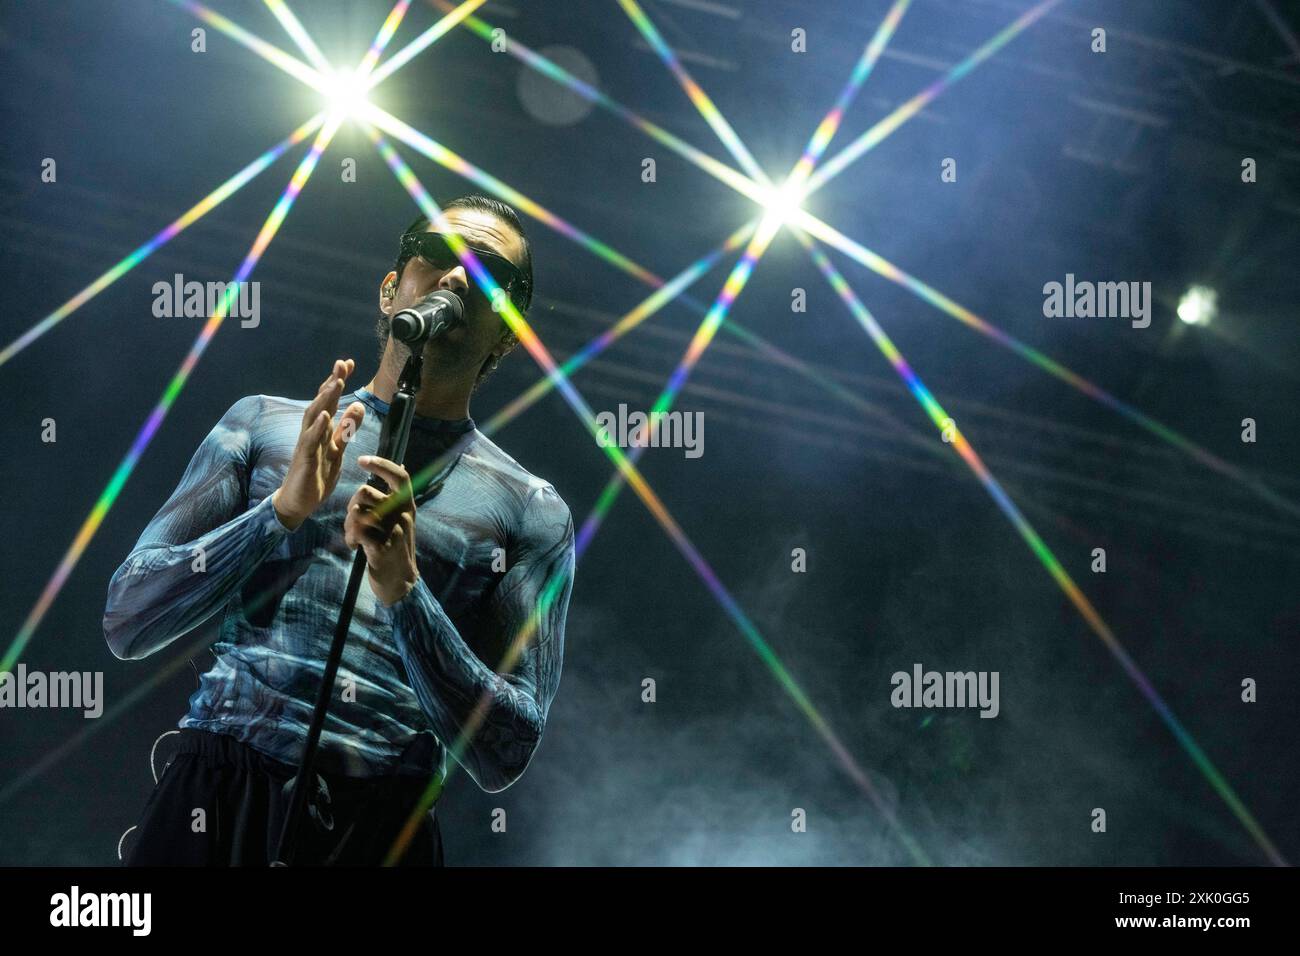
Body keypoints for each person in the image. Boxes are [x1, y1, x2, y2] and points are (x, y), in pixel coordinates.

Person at [104, 195, 575, 866]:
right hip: (220, 791)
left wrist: (406, 593)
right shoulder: (265, 425)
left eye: (491, 274)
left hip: (380, 824)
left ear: (504, 333)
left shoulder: (531, 510)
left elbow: (508, 749)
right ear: (391, 289)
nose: (459, 278)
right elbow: (127, 618)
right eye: (438, 253)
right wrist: (279, 514)